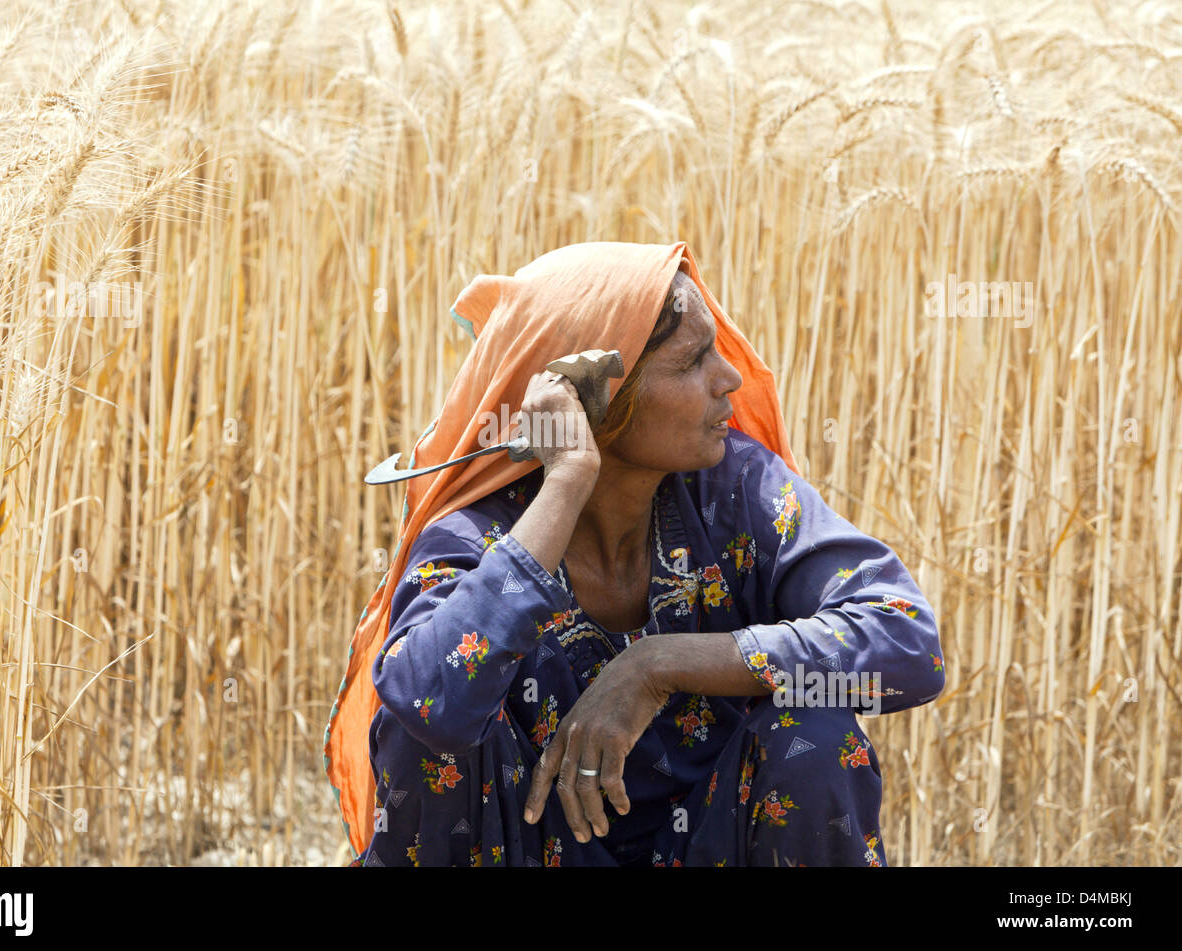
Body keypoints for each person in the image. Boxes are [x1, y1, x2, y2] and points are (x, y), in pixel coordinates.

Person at [325, 242, 945, 866]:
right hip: (527, 850)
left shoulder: (735, 493)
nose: (728, 377)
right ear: (598, 403)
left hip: (709, 843)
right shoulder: (478, 538)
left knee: (816, 725)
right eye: (693, 361)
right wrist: (567, 480)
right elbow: (426, 699)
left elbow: (908, 643)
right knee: (432, 730)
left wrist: (659, 664)